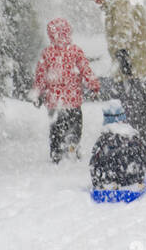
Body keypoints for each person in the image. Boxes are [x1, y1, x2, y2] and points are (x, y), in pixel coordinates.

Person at [31, 18, 100, 163]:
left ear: (50, 35)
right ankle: (72, 147)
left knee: (55, 129)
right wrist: (94, 86)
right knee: (75, 126)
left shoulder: (47, 53)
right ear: (69, 32)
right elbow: (86, 70)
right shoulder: (75, 51)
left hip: (54, 103)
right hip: (73, 101)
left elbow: (40, 77)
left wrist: (37, 94)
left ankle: (56, 152)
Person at [98, 48, 146, 182]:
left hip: (137, 71)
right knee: (132, 125)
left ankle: (145, 164)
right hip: (133, 72)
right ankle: (133, 166)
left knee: (138, 123)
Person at [84, 0, 146, 79]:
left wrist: (122, 53)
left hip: (137, 62)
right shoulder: (112, 7)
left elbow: (124, 29)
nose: (97, 4)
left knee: (133, 93)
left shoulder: (121, 4)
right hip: (135, 63)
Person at [90, 100, 146, 191]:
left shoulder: (102, 141)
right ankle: (130, 181)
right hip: (132, 178)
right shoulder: (132, 137)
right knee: (134, 160)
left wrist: (96, 181)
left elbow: (94, 164)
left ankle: (112, 183)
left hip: (109, 179)